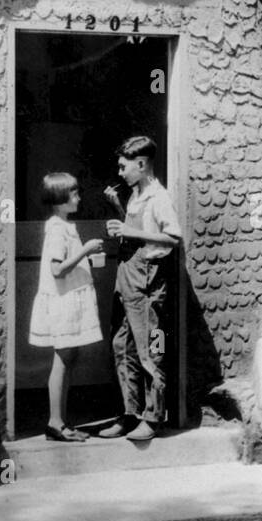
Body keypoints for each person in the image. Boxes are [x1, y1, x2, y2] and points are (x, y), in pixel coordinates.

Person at [99, 135, 182, 442]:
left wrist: (129, 229)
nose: (120, 173)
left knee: (151, 350)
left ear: (141, 164)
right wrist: (119, 210)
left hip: (147, 280)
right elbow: (140, 232)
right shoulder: (137, 194)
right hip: (127, 277)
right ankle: (130, 413)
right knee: (122, 346)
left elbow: (173, 237)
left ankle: (154, 417)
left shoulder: (159, 197)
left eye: (124, 167)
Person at [29, 172, 104, 442]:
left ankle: (60, 420)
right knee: (62, 360)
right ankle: (55, 422)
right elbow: (57, 269)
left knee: (69, 358)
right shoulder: (57, 229)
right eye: (73, 193)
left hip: (70, 300)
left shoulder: (65, 225)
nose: (79, 197)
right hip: (62, 303)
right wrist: (85, 251)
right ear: (60, 199)